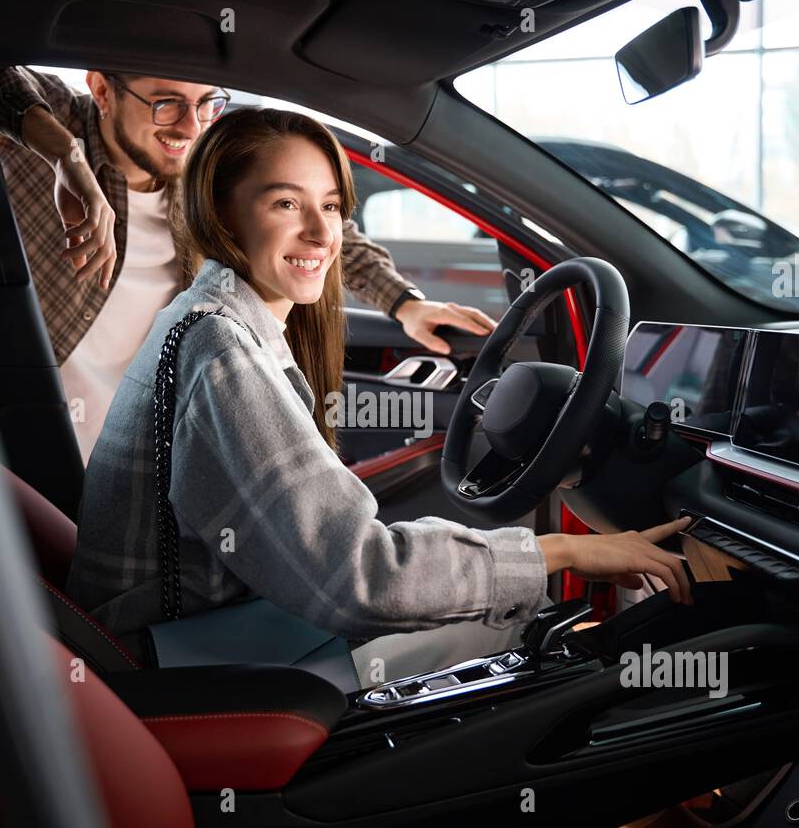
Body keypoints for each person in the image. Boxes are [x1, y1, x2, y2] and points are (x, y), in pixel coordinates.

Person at [67, 107, 693, 686]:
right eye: (287, 203)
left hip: (188, 636)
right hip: (171, 667)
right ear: (222, 213)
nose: (321, 233)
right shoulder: (222, 350)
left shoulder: (208, 319)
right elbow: (357, 579)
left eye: (333, 206)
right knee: (522, 632)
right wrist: (565, 551)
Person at [0, 67, 496, 462]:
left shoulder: (202, 182)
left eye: (207, 103)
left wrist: (406, 304)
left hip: (129, 451)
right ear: (101, 90)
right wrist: (67, 160)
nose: (190, 126)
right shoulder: (49, 126)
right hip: (17, 442)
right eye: (166, 104)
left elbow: (319, 227)